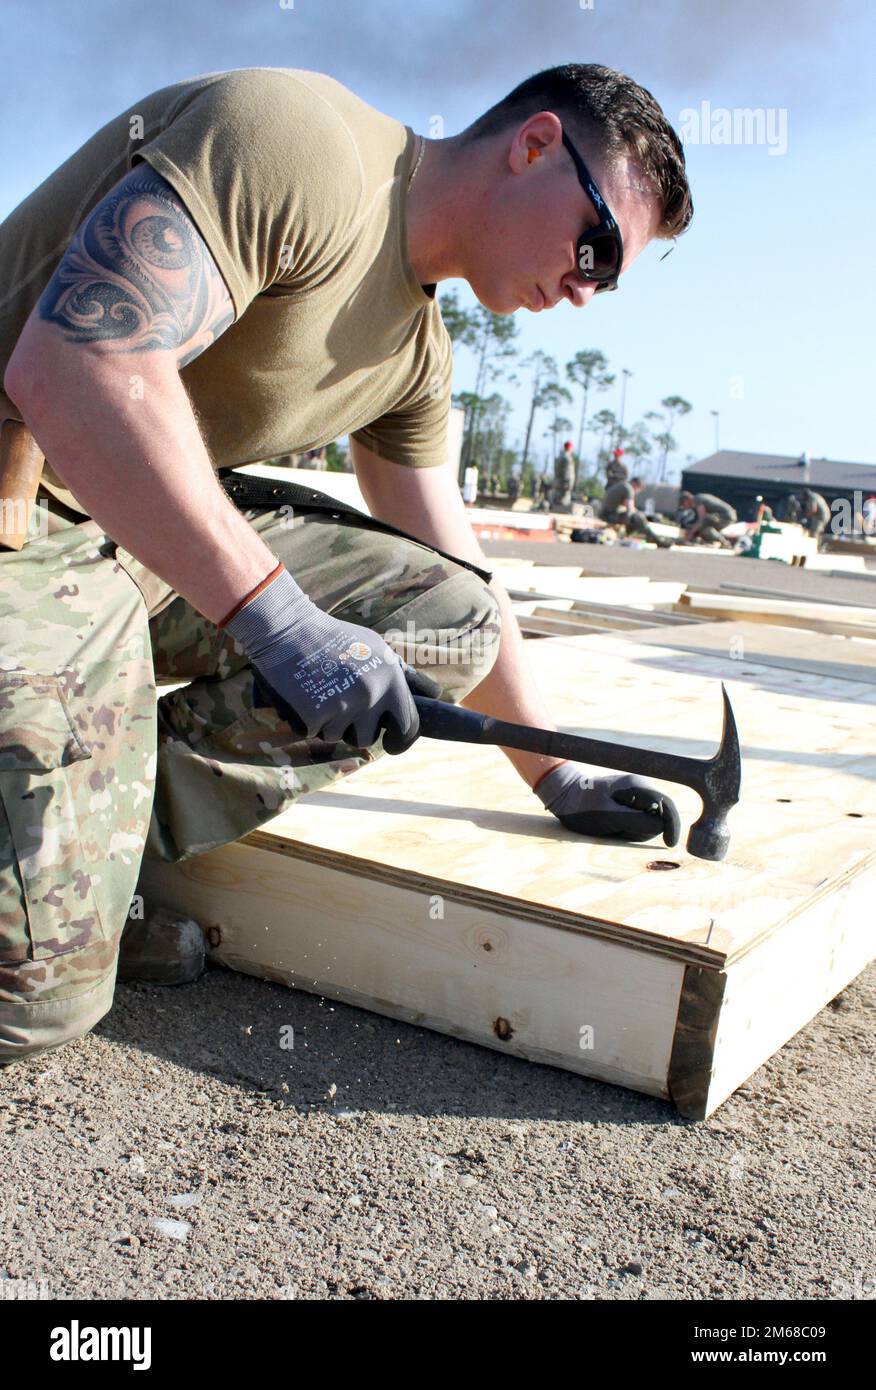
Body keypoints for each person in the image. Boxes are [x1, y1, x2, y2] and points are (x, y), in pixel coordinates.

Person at [0, 62, 691, 1063]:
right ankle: (50, 888)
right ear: (535, 145)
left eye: (608, 275)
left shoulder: (413, 353)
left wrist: (558, 773)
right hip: (21, 487)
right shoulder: (299, 143)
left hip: (123, 530)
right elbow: (72, 367)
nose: (587, 290)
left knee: (447, 614)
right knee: (36, 1007)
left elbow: (460, 578)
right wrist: (279, 619)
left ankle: (93, 863)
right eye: (598, 248)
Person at [601, 475, 672, 548]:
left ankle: (627, 535)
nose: (637, 492)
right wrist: (643, 516)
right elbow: (630, 509)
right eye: (638, 489)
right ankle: (656, 540)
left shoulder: (621, 485)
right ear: (636, 485)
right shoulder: (629, 488)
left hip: (605, 514)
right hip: (610, 516)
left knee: (635, 517)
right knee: (639, 518)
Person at [553, 439, 577, 510]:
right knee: (563, 503)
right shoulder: (567, 458)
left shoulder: (560, 456)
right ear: (570, 448)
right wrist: (569, 484)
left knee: (557, 501)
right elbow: (568, 473)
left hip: (558, 482)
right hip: (564, 484)